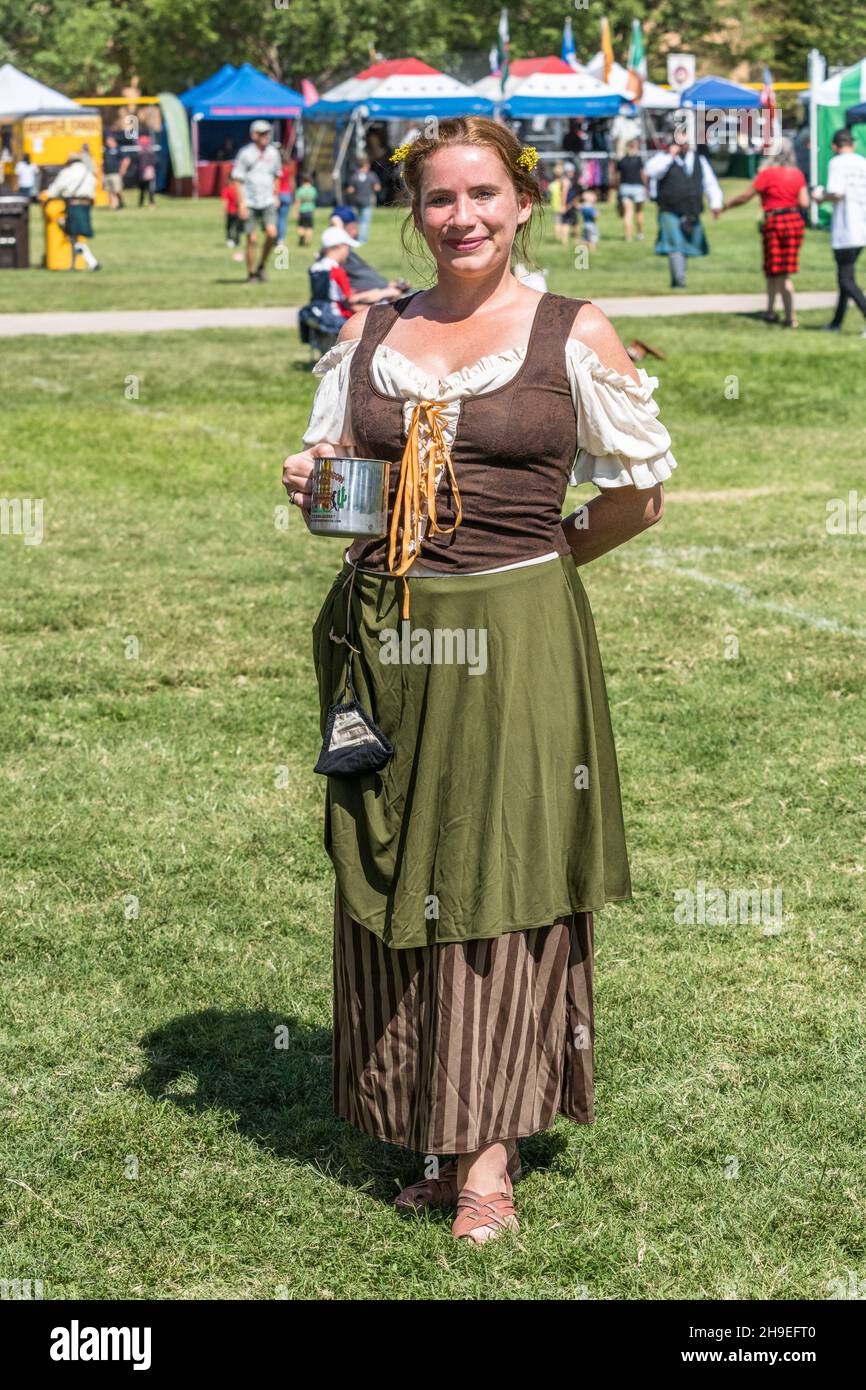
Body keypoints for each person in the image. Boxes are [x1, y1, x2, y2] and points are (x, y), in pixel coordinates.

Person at [281, 117, 676, 1245]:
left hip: (514, 638)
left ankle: (487, 1157)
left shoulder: (569, 331)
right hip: (383, 633)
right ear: (416, 210)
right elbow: (339, 514)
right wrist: (320, 487)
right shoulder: (372, 328)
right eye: (442, 198)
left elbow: (633, 500)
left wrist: (528, 572)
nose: (463, 217)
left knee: (498, 878)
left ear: (524, 202)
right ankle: (429, 1121)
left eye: (484, 195)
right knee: (397, 859)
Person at [719, 137, 809, 328]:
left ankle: (789, 316)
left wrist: (726, 206)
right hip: (794, 222)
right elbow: (804, 203)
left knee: (776, 271)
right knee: (779, 269)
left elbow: (745, 196)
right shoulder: (797, 174)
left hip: (775, 222)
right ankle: (771, 311)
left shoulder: (767, 174)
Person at [645, 132, 723, 288]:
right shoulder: (663, 159)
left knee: (684, 246)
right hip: (669, 210)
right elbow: (651, 171)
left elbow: (710, 183)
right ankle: (679, 280)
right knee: (675, 246)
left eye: (686, 143)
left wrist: (715, 203)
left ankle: (678, 277)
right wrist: (670, 156)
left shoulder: (699, 160)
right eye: (680, 143)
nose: (683, 146)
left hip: (691, 211)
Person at [812, 128, 866, 336]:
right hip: (862, 225)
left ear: (835, 146)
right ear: (852, 144)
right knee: (845, 276)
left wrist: (819, 196)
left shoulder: (836, 163)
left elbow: (836, 194)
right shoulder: (862, 162)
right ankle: (836, 322)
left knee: (846, 279)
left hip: (846, 227)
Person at [231, 119, 281, 282]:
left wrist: (276, 195)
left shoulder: (273, 153)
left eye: (267, 132)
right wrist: (241, 203)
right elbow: (237, 180)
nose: (265, 136)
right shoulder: (245, 153)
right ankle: (251, 273)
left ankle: (262, 265)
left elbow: (277, 176)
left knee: (272, 233)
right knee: (252, 239)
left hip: (267, 200)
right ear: (254, 135)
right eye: (261, 133)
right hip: (250, 201)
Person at [329, 205, 411, 303]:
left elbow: (367, 277)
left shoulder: (349, 256)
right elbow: (352, 298)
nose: (355, 231)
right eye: (353, 227)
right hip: (377, 299)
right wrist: (386, 292)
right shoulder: (339, 257)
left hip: (385, 291)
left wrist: (389, 285)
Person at [42, 153, 100, 271]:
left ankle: (91, 262)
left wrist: (45, 195)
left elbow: (56, 188)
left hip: (73, 206)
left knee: (71, 234)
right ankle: (77, 264)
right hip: (86, 205)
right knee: (76, 235)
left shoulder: (67, 172)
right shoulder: (88, 173)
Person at [616, 139, 647, 243]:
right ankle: (640, 234)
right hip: (638, 187)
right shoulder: (639, 160)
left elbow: (618, 177)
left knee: (628, 213)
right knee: (639, 212)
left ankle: (628, 237)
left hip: (624, 187)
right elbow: (643, 174)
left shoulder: (622, 160)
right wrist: (646, 186)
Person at [345, 155, 381, 244]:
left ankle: (352, 237)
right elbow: (377, 188)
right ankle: (362, 240)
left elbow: (350, 190)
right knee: (364, 222)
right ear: (367, 165)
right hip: (367, 201)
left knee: (355, 221)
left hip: (356, 201)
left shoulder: (354, 175)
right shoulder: (371, 175)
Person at [548, 161, 572, 246]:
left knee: (557, 222)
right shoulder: (563, 183)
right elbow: (564, 194)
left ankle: (557, 238)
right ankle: (562, 239)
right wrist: (563, 205)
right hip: (561, 205)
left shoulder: (552, 185)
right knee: (564, 222)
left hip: (554, 205)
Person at [276, 148, 297, 245]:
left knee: (275, 218)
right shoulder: (289, 168)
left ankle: (275, 237)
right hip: (287, 194)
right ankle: (281, 239)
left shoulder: (276, 168)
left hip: (277, 194)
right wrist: (293, 195)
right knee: (283, 219)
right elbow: (292, 182)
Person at [102, 135, 128, 210]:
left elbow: (126, 159)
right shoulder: (106, 150)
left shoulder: (118, 149)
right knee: (109, 191)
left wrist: (123, 169)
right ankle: (113, 205)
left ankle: (120, 202)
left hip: (115, 173)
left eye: (109, 141)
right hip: (107, 173)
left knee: (117, 190)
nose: (108, 143)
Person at [221, 179, 243, 260]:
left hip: (230, 212)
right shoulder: (238, 190)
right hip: (237, 211)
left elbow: (225, 202)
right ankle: (237, 241)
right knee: (238, 228)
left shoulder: (226, 190)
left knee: (229, 227)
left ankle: (230, 240)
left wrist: (223, 212)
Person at [294, 171, 317, 247]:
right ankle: (307, 241)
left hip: (302, 210)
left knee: (301, 226)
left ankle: (301, 238)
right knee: (309, 227)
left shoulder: (300, 190)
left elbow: (298, 202)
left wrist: (296, 212)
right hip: (310, 210)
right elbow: (314, 200)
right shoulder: (313, 190)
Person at [136, 135, 156, 207]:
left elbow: (152, 163)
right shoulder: (141, 153)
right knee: (142, 189)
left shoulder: (148, 153)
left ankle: (151, 203)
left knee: (149, 189)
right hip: (142, 173)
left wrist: (149, 172)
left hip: (147, 173)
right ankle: (141, 203)